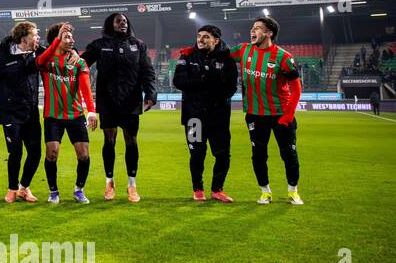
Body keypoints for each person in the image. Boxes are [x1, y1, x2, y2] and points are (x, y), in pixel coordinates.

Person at [80, 12, 157, 203]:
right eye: (118, 21)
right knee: (110, 141)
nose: (123, 23)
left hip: (131, 101)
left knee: (131, 141)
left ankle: (132, 185)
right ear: (110, 24)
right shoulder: (99, 45)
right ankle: (109, 182)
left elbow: (148, 71)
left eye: (125, 21)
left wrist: (150, 95)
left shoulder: (138, 45)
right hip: (108, 101)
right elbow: (81, 64)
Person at [232, 16, 303, 205]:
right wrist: (194, 52)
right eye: (252, 28)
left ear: (269, 33)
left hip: (281, 115)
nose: (252, 31)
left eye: (258, 28)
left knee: (288, 154)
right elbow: (218, 54)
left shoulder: (283, 57)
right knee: (258, 155)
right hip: (255, 115)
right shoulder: (243, 50)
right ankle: (265, 191)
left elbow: (296, 88)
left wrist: (288, 115)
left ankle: (293, 191)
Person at [173, 24, 238, 202]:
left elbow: (230, 87)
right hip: (194, 117)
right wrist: (203, 79)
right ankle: (198, 189)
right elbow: (178, 81)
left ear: (216, 40)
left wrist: (209, 81)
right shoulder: (187, 55)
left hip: (219, 117)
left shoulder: (228, 58)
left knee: (223, 154)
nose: (200, 39)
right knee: (197, 154)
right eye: (199, 36)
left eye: (206, 37)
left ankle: (217, 190)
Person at [37, 23, 99, 204]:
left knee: (84, 155)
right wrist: (58, 38)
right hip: (53, 116)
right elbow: (40, 61)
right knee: (52, 153)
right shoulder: (46, 61)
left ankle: (79, 190)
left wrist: (92, 111)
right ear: (57, 39)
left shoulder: (78, 61)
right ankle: (53, 191)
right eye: (67, 36)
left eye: (72, 36)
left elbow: (86, 88)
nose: (72, 40)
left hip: (75, 115)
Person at [0, 20, 42, 204]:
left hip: (31, 112)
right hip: (10, 113)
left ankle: (24, 187)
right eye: (35, 34)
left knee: (35, 153)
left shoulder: (37, 52)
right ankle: (12, 189)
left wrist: (74, 52)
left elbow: (57, 51)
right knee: (16, 152)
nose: (38, 38)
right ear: (24, 38)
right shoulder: (5, 55)